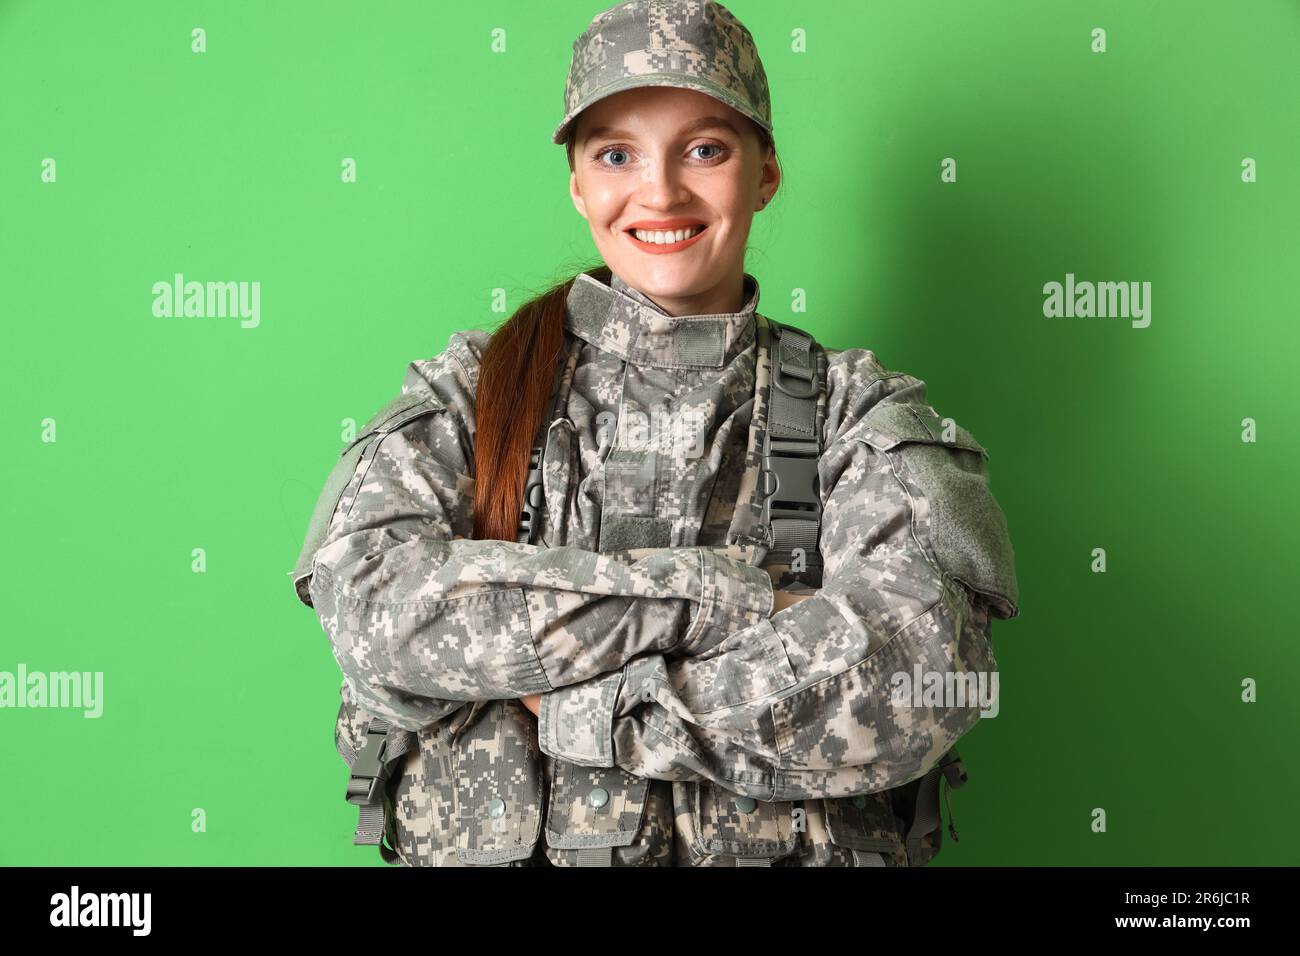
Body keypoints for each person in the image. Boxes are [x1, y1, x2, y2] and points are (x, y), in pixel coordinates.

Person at [292, 0, 1020, 866]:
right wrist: (724, 599)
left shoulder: (855, 414)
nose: (661, 191)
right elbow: (374, 608)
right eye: (616, 154)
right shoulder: (471, 396)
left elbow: (918, 675)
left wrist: (586, 706)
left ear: (766, 173)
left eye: (705, 149)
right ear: (577, 183)